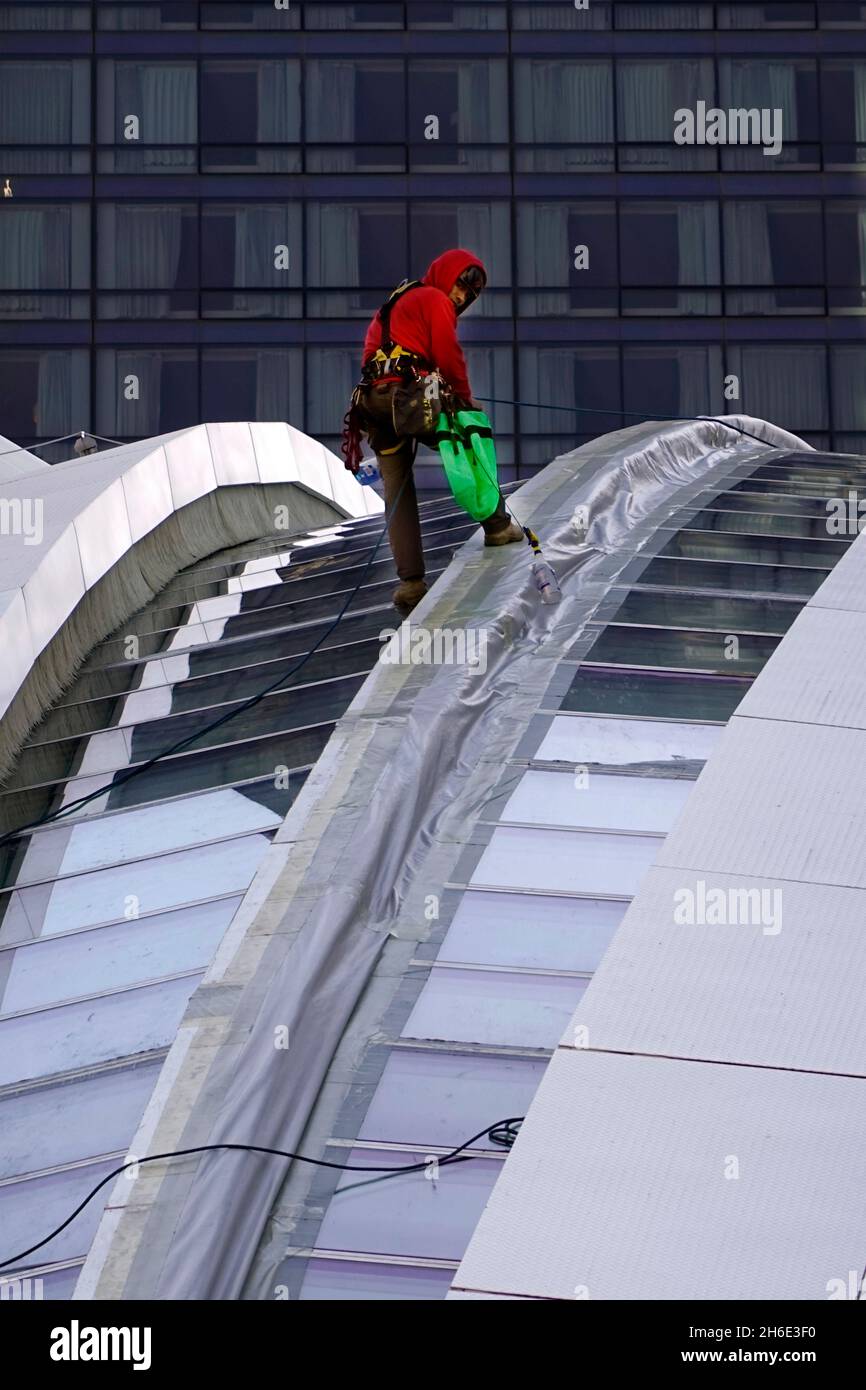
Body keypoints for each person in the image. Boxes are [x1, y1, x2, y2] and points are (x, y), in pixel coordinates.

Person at [343, 248, 523, 611]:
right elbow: (448, 354)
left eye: (468, 296)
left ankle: (411, 584)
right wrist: (465, 399)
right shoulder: (433, 299)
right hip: (408, 399)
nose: (461, 298)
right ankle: (497, 525)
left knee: (397, 489)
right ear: (445, 275)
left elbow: (369, 357)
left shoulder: (394, 304)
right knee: (466, 434)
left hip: (373, 403)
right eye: (461, 286)